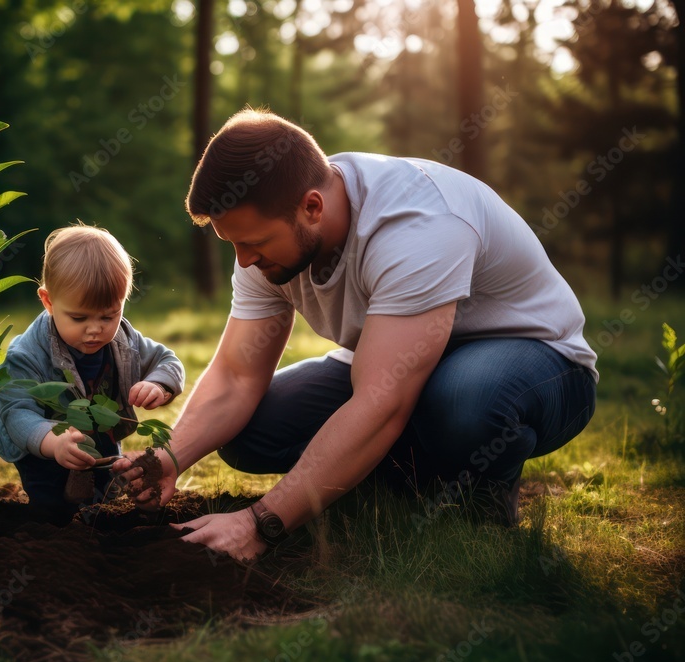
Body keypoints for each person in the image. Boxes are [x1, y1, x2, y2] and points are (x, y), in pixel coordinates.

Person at [114, 108, 598, 561]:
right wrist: (170, 458)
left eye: (254, 243)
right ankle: (402, 485)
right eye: (233, 244)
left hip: (537, 365)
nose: (244, 262)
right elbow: (238, 375)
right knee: (250, 434)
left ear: (312, 207)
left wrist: (261, 524)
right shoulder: (271, 240)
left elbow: (381, 403)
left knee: (464, 404)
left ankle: (483, 506)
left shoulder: (417, 226)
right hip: (398, 364)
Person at [0, 224, 185, 512]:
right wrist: (52, 442)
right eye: (79, 318)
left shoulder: (124, 341)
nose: (95, 329)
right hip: (43, 444)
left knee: (106, 495)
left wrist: (159, 385)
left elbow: (167, 361)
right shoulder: (28, 353)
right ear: (48, 301)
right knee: (51, 502)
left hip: (100, 431)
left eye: (108, 315)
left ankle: (96, 525)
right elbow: (17, 412)